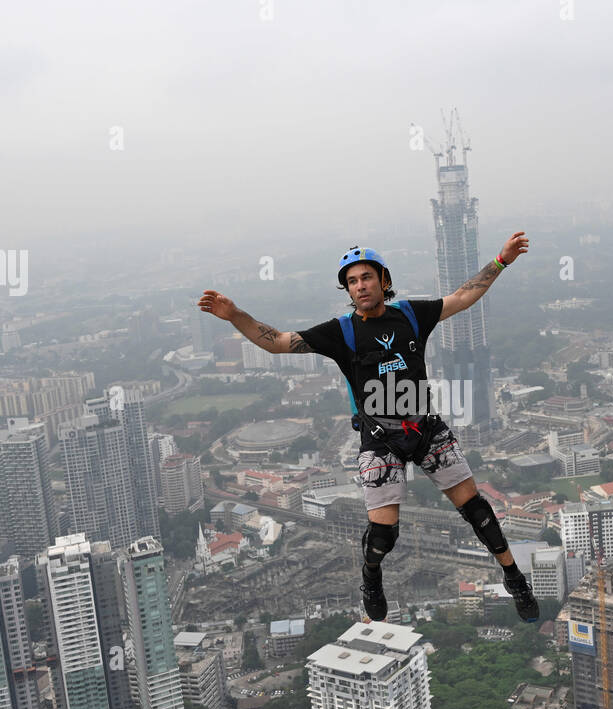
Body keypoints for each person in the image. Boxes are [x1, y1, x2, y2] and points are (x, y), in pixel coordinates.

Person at [198, 232, 540, 623]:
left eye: (366, 277)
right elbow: (277, 342)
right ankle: (372, 577)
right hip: (380, 439)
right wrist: (235, 314)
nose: (360, 286)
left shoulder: (411, 315)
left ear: (383, 280)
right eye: (352, 281)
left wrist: (502, 260)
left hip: (425, 427)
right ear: (347, 289)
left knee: (477, 511)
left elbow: (462, 297)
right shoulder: (342, 332)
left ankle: (515, 579)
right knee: (383, 536)